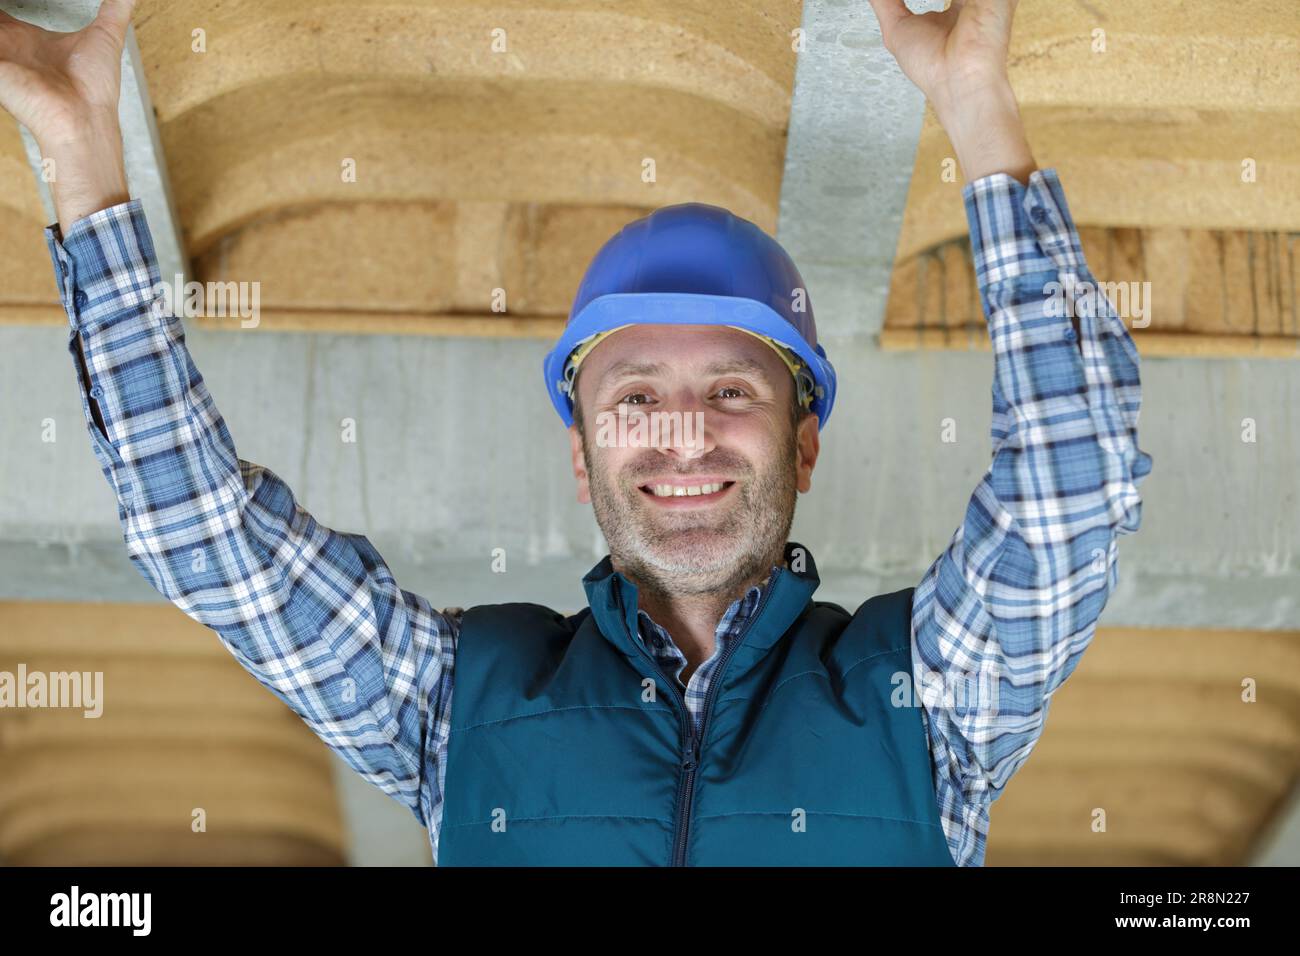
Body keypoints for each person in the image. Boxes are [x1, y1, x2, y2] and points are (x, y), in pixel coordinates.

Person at [0, 0, 1152, 865]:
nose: (683, 431)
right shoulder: (461, 705)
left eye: (736, 393)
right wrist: (79, 147)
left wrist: (974, 105)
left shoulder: (924, 700)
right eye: (634, 396)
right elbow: (200, 531)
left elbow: (1073, 487)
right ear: (581, 447)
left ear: (804, 444)